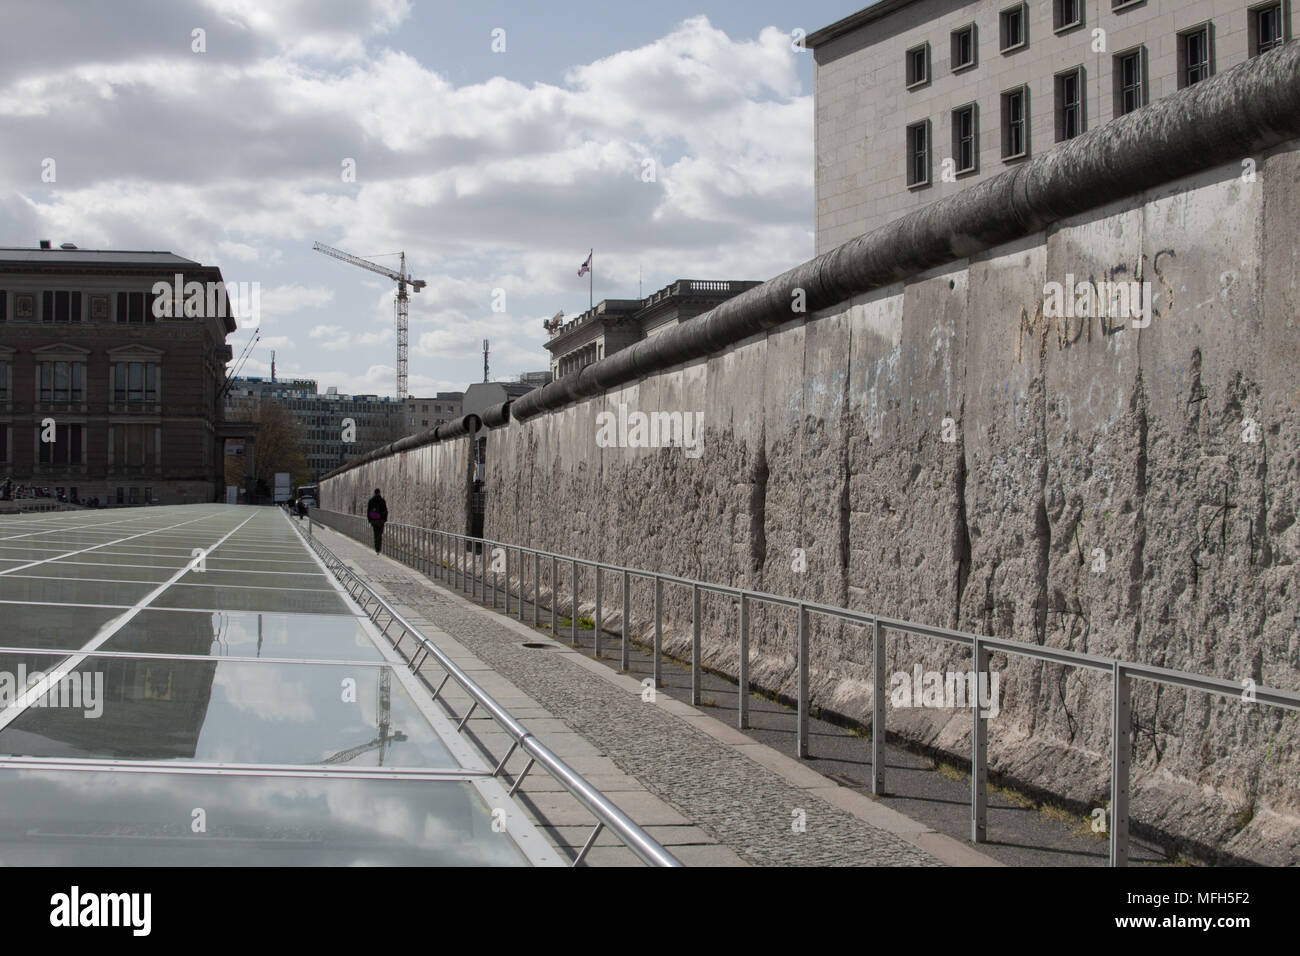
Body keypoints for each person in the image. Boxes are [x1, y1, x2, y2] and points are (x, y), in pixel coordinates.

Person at [366, 488, 388, 554]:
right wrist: (384, 519)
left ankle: (377, 549)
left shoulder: (371, 500)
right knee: (379, 535)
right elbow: (386, 511)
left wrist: (370, 520)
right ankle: (379, 549)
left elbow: (368, 511)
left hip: (374, 520)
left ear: (374, 493)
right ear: (379, 493)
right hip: (381, 520)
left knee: (375, 534)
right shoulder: (382, 500)